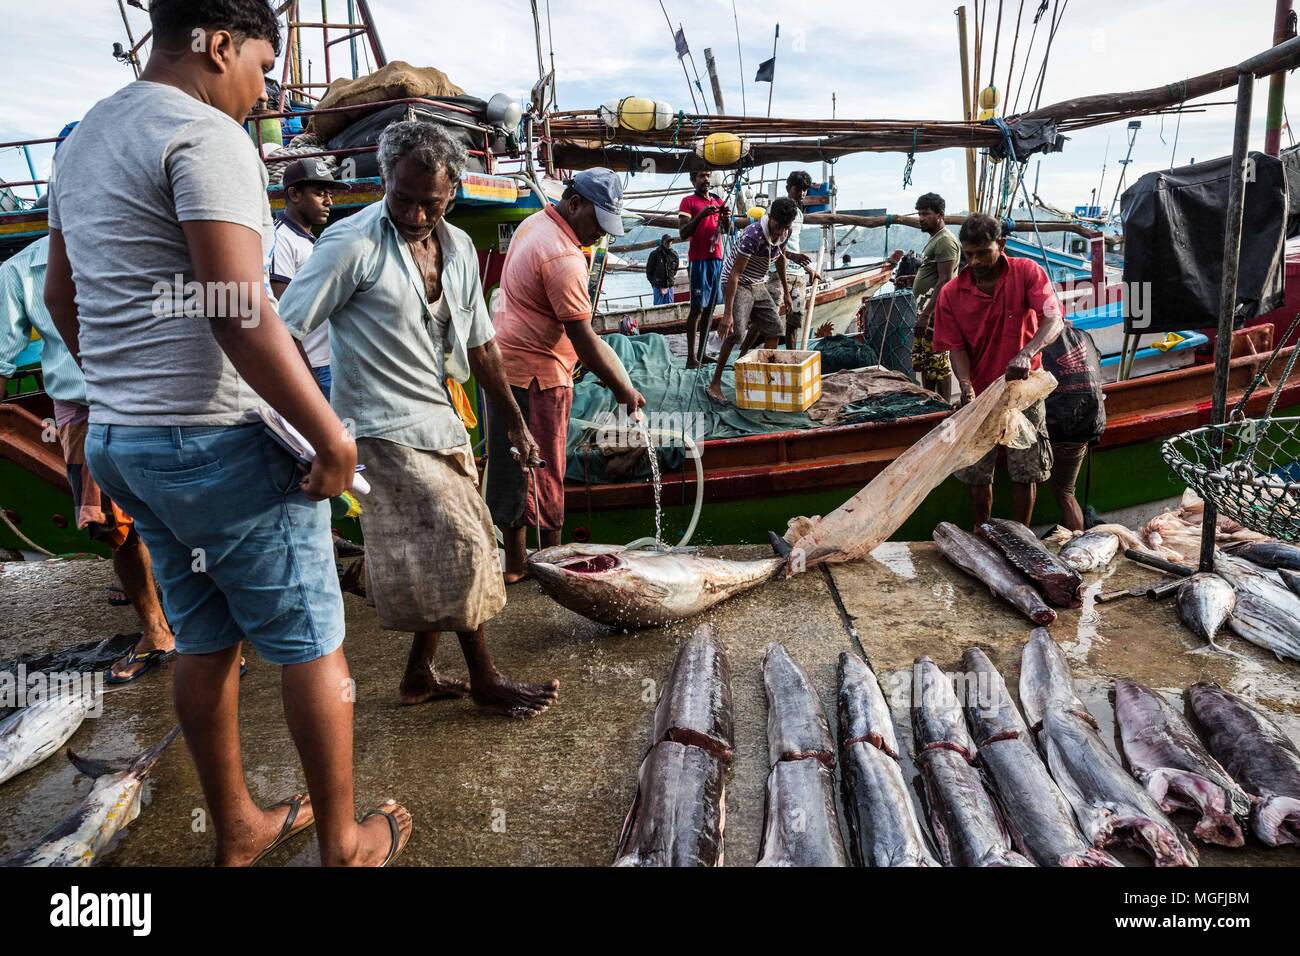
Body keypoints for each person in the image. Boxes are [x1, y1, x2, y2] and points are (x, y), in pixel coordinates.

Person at [45, 0, 410, 866]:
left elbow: (64, 300)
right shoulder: (208, 137)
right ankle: (344, 846)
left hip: (124, 447)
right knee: (314, 644)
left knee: (205, 637)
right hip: (219, 447)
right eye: (259, 67)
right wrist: (332, 437)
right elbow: (240, 308)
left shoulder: (85, 139)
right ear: (217, 45)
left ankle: (238, 829)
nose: (261, 91)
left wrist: (127, 387)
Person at [279, 120, 562, 718]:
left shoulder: (458, 247)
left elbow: (483, 346)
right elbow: (284, 331)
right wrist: (316, 429)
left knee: (440, 546)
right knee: (462, 542)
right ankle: (484, 678)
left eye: (428, 202)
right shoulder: (349, 245)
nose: (412, 214)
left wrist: (513, 423)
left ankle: (418, 674)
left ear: (452, 189)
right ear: (384, 180)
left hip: (441, 420)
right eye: (401, 198)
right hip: (378, 426)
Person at [0, 235, 176, 684]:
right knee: (113, 527)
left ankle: (205, 635)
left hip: (155, 396)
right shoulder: (20, 271)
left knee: (181, 512)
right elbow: (1, 360)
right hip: (81, 410)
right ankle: (156, 631)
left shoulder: (137, 240)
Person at [488, 168, 646, 584]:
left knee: (511, 466)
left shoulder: (534, 223)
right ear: (574, 204)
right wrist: (623, 390)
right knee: (545, 471)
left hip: (505, 365)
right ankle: (554, 566)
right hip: (539, 374)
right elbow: (585, 340)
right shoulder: (562, 257)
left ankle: (517, 564)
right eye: (598, 224)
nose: (599, 235)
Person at [932, 213, 1064, 527]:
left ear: (1001, 244)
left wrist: (1027, 353)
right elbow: (956, 347)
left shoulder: (1027, 272)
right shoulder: (951, 293)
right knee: (976, 472)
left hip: (1024, 389)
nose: (975, 262)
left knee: (1025, 471)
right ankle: (983, 532)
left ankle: (1022, 535)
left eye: (983, 253)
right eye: (969, 254)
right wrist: (964, 384)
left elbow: (1053, 319)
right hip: (980, 395)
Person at [705, 197, 800, 406]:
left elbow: (781, 258)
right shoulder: (753, 235)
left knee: (775, 329)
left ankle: (765, 380)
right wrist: (727, 314)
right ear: (770, 217)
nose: (779, 232)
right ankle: (715, 382)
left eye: (785, 227)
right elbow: (735, 275)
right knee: (736, 333)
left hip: (758, 282)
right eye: (777, 226)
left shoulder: (785, 231)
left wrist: (786, 291)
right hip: (738, 283)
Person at [269, 157, 340, 397]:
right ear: (295, 194)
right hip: (315, 367)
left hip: (331, 363)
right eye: (320, 193)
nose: (329, 201)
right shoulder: (281, 240)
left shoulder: (309, 240)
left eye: (329, 194)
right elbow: (283, 318)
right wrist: (307, 378)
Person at [1041, 321, 1107, 531]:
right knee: (1067, 490)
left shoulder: (1037, 343)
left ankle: (1076, 543)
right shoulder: (1083, 335)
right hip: (1090, 419)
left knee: (1065, 493)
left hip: (1062, 425)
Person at [902, 193, 960, 394]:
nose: (920, 218)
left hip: (937, 313)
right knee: (925, 362)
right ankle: (930, 401)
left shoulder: (945, 241)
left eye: (926, 214)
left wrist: (926, 315)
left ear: (940, 215)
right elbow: (934, 275)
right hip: (926, 310)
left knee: (938, 363)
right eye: (919, 213)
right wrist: (913, 280)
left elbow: (945, 280)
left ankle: (942, 408)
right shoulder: (935, 240)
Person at [678, 170, 730, 368]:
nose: (705, 179)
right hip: (699, 260)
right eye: (701, 176)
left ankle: (702, 354)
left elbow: (728, 230)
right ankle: (691, 358)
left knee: (709, 310)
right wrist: (701, 215)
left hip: (716, 259)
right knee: (697, 308)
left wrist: (725, 217)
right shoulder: (688, 202)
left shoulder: (717, 201)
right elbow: (683, 233)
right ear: (693, 180)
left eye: (708, 175)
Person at [769, 170, 819, 349]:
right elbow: (772, 244)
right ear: (788, 188)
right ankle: (754, 355)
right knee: (769, 320)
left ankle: (792, 358)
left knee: (795, 319)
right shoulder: (776, 210)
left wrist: (808, 269)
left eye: (805, 190)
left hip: (797, 276)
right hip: (778, 273)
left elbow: (793, 246)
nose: (802, 193)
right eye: (798, 189)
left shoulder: (799, 214)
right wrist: (792, 257)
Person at [645, 233, 679, 306]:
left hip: (669, 286)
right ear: (662, 242)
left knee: (670, 307)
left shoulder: (674, 254)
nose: (669, 243)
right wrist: (655, 284)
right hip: (658, 287)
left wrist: (670, 280)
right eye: (667, 241)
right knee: (658, 308)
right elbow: (649, 272)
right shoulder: (654, 254)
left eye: (670, 241)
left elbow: (675, 270)